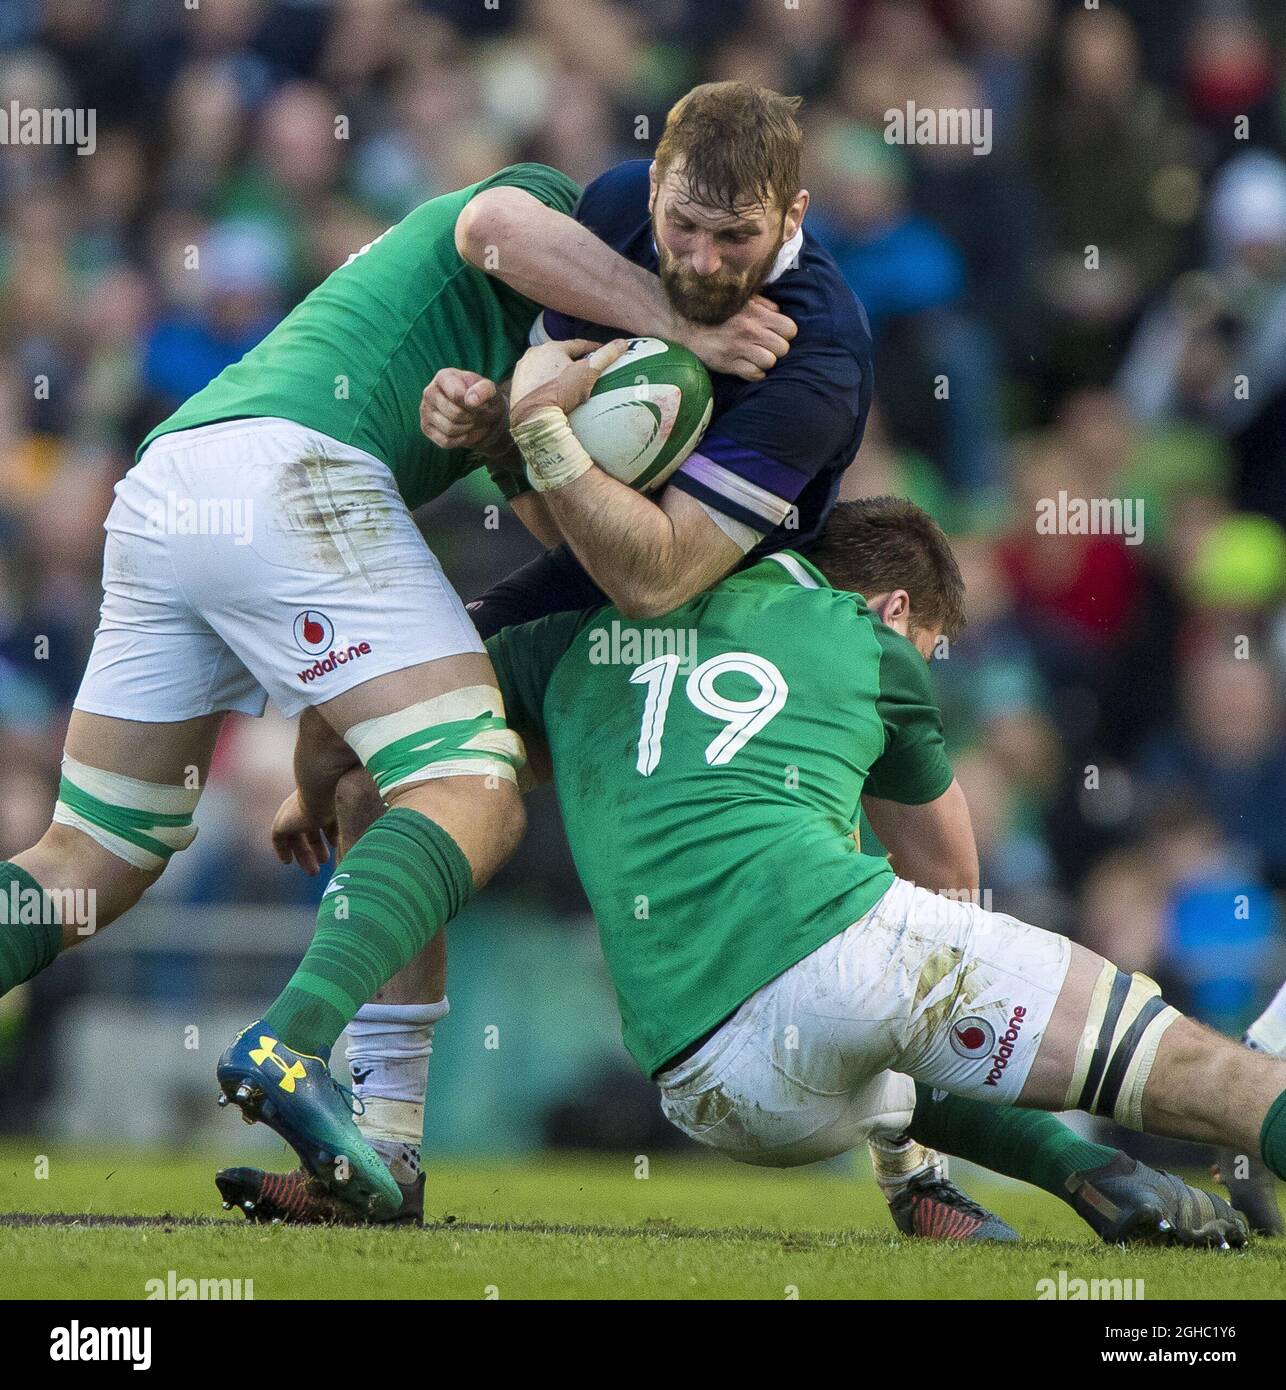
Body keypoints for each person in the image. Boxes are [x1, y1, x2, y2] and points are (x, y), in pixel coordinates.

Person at [0, 152, 790, 1220]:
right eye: (676, 239)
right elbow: (491, 225)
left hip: (175, 485)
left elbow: (563, 548)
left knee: (94, 856)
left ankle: (384, 1157)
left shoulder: (520, 358)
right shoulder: (550, 213)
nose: (692, 263)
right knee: (475, 786)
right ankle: (289, 1044)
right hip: (290, 471)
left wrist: (539, 434)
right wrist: (684, 331)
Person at [234, 497, 1248, 1248]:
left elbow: (390, 682)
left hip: (702, 1084)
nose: (922, 662)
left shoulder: (567, 633)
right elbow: (946, 873)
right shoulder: (864, 640)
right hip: (833, 970)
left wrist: (318, 781)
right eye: (929, 646)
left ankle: (390, 1142)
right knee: (1183, 1061)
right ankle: (1087, 1158)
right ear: (893, 606)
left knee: (397, 796)